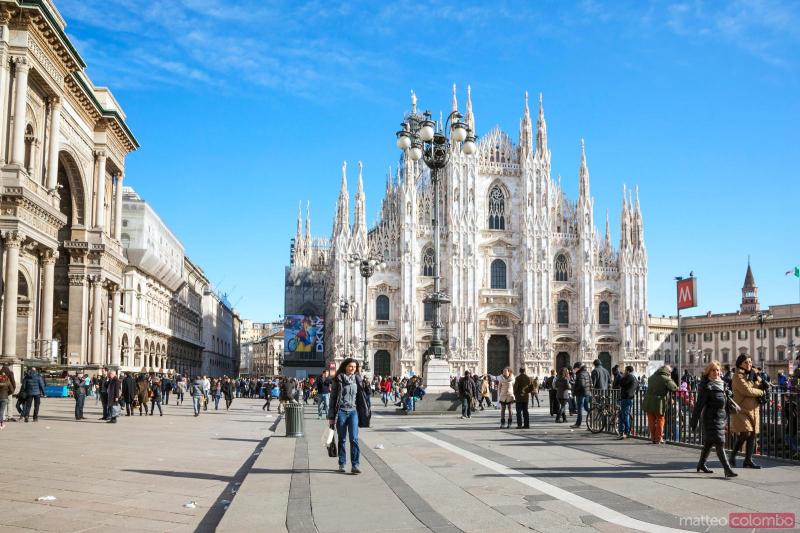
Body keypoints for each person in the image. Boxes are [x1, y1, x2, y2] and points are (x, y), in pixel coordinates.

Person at [690, 361, 737, 478]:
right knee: (720, 442)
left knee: (709, 442)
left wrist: (728, 393)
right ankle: (727, 469)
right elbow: (699, 405)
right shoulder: (707, 386)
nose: (716, 372)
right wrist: (694, 421)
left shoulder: (722, 384)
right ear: (708, 372)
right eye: (713, 370)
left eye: (718, 370)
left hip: (721, 418)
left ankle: (701, 464)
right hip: (710, 418)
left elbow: (725, 400)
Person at [328, 358, 370, 474]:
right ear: (345, 366)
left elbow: (364, 395)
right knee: (342, 439)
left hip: (353, 412)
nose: (353, 369)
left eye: (355, 367)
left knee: (354, 438)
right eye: (351, 366)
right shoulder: (338, 379)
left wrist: (366, 385)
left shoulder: (358, 379)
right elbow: (333, 398)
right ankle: (342, 463)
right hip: (341, 411)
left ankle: (355, 465)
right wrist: (331, 417)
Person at [729, 354, 766, 469]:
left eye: (750, 362)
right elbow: (747, 390)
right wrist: (761, 392)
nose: (749, 364)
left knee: (752, 434)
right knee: (746, 433)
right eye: (746, 362)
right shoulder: (737, 376)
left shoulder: (752, 374)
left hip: (753, 409)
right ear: (740, 364)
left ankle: (748, 460)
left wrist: (760, 380)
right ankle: (733, 455)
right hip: (741, 409)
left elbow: (760, 385)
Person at [643, 365, 678, 444]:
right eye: (670, 372)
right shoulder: (665, 378)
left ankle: (653, 438)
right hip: (659, 402)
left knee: (651, 420)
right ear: (667, 371)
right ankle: (658, 438)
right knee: (660, 419)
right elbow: (674, 387)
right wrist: (670, 378)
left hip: (648, 401)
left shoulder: (652, 377)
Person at [617, 366, 638, 439]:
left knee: (625, 416)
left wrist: (623, 376)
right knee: (622, 415)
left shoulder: (629, 377)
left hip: (626, 398)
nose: (624, 371)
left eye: (625, 370)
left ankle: (626, 432)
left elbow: (621, 383)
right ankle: (621, 432)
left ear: (628, 371)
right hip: (629, 398)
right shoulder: (634, 377)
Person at [571, 362, 592, 429]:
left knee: (580, 409)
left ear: (578, 368)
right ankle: (593, 416)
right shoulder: (587, 373)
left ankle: (578, 423)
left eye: (575, 368)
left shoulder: (580, 374)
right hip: (587, 393)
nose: (574, 370)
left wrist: (575, 390)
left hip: (581, 394)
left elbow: (581, 385)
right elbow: (590, 382)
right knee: (586, 407)